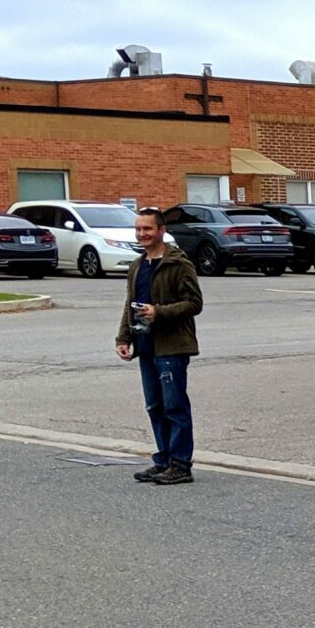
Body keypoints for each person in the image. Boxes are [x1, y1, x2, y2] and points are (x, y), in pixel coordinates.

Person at [115, 207, 204, 484]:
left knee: (174, 406)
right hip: (146, 345)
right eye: (139, 229)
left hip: (172, 347)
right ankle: (163, 459)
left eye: (148, 229)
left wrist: (160, 312)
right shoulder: (138, 265)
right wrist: (123, 338)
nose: (142, 234)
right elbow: (130, 304)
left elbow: (194, 303)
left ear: (161, 231)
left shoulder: (179, 264)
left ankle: (180, 465)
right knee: (155, 406)